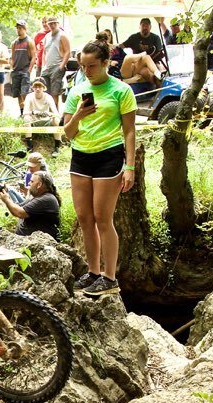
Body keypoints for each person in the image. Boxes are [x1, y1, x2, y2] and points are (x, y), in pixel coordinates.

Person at [63, 40, 137, 298]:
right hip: (81, 156)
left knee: (103, 218)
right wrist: (79, 115)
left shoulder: (121, 90)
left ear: (106, 63)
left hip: (109, 155)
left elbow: (129, 131)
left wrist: (130, 166)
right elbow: (67, 133)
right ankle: (94, 271)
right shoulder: (76, 92)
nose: (87, 71)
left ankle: (110, 277)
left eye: (92, 66)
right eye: (83, 66)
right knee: (84, 218)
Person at [0, 170, 61, 239]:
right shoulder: (37, 196)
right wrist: (6, 193)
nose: (29, 183)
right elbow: (18, 207)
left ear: (39, 185)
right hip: (26, 240)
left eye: (32, 181)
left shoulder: (47, 199)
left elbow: (19, 213)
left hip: (37, 243)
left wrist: (6, 200)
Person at [22, 77, 61, 150]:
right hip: (34, 121)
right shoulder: (29, 96)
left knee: (56, 120)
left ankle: (57, 147)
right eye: (35, 87)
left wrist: (49, 113)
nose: (37, 89)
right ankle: (29, 146)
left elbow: (56, 113)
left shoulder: (48, 97)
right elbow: (24, 112)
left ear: (44, 88)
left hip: (46, 120)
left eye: (40, 86)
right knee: (26, 119)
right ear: (32, 88)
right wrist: (33, 112)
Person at [40, 18, 71, 102]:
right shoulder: (47, 36)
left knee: (54, 93)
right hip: (47, 67)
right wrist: (44, 65)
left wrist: (61, 66)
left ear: (58, 24)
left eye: (54, 23)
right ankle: (48, 113)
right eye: (50, 24)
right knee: (45, 92)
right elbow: (44, 52)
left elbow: (68, 51)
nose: (52, 25)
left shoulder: (62, 35)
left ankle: (55, 114)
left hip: (57, 66)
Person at [10, 20, 35, 111]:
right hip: (15, 71)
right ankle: (21, 111)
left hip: (25, 70)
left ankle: (27, 111)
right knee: (17, 94)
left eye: (20, 28)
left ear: (25, 29)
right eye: (17, 28)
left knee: (25, 92)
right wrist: (11, 66)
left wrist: (29, 70)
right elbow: (12, 57)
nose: (18, 30)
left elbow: (33, 57)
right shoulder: (14, 43)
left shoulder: (29, 41)